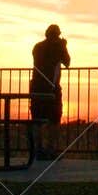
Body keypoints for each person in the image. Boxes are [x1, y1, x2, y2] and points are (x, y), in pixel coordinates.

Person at [29, 25, 71, 157]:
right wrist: (63, 46)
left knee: (37, 119)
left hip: (36, 87)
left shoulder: (37, 47)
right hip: (51, 88)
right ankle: (51, 149)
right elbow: (67, 62)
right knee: (54, 118)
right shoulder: (58, 47)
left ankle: (37, 149)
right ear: (57, 35)